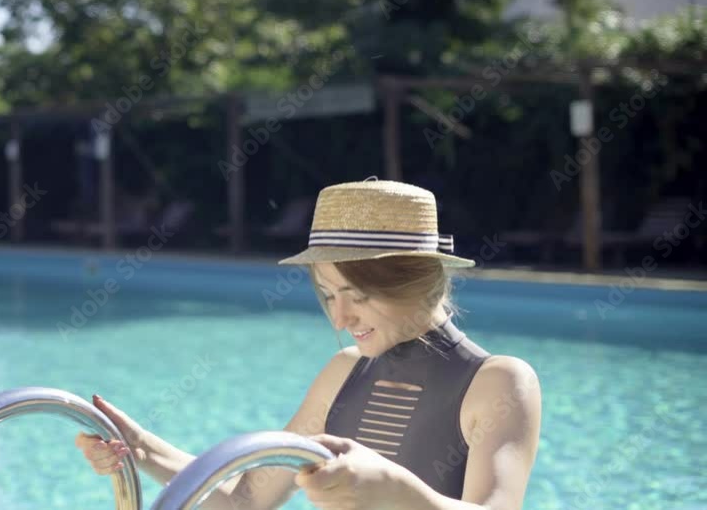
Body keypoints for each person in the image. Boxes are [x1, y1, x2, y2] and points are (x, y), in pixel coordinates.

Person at [75, 178, 542, 510]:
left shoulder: (497, 382)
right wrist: (141, 449)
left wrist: (396, 490)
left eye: (358, 296)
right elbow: (246, 499)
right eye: (329, 295)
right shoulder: (344, 372)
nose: (340, 318)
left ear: (417, 282)